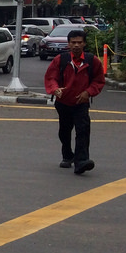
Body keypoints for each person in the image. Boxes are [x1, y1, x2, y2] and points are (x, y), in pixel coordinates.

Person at [43, 28, 105, 174]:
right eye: (73, 42)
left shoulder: (92, 61)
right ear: (69, 44)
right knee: (64, 131)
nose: (76, 45)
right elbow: (50, 77)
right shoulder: (61, 59)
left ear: (84, 44)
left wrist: (88, 92)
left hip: (81, 103)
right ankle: (67, 155)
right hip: (63, 102)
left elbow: (98, 81)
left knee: (83, 130)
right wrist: (55, 89)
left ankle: (81, 162)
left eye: (79, 42)